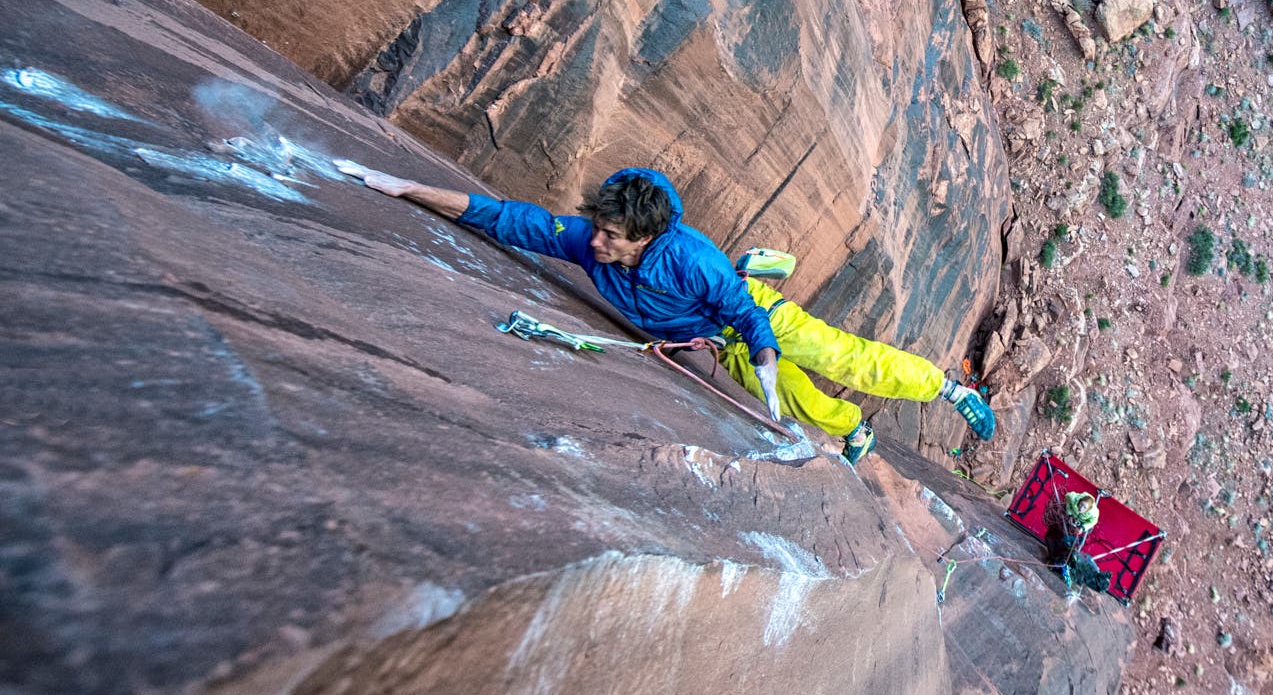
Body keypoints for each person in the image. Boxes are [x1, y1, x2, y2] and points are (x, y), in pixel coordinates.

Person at [334, 161, 994, 463]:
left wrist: (761, 355)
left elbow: (745, 316)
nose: (595, 243)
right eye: (597, 229)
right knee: (795, 400)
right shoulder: (587, 243)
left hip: (749, 312)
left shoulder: (693, 259)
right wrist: (406, 187)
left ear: (644, 236)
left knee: (832, 355)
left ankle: (947, 387)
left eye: (610, 236)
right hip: (710, 333)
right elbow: (508, 217)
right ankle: (855, 429)